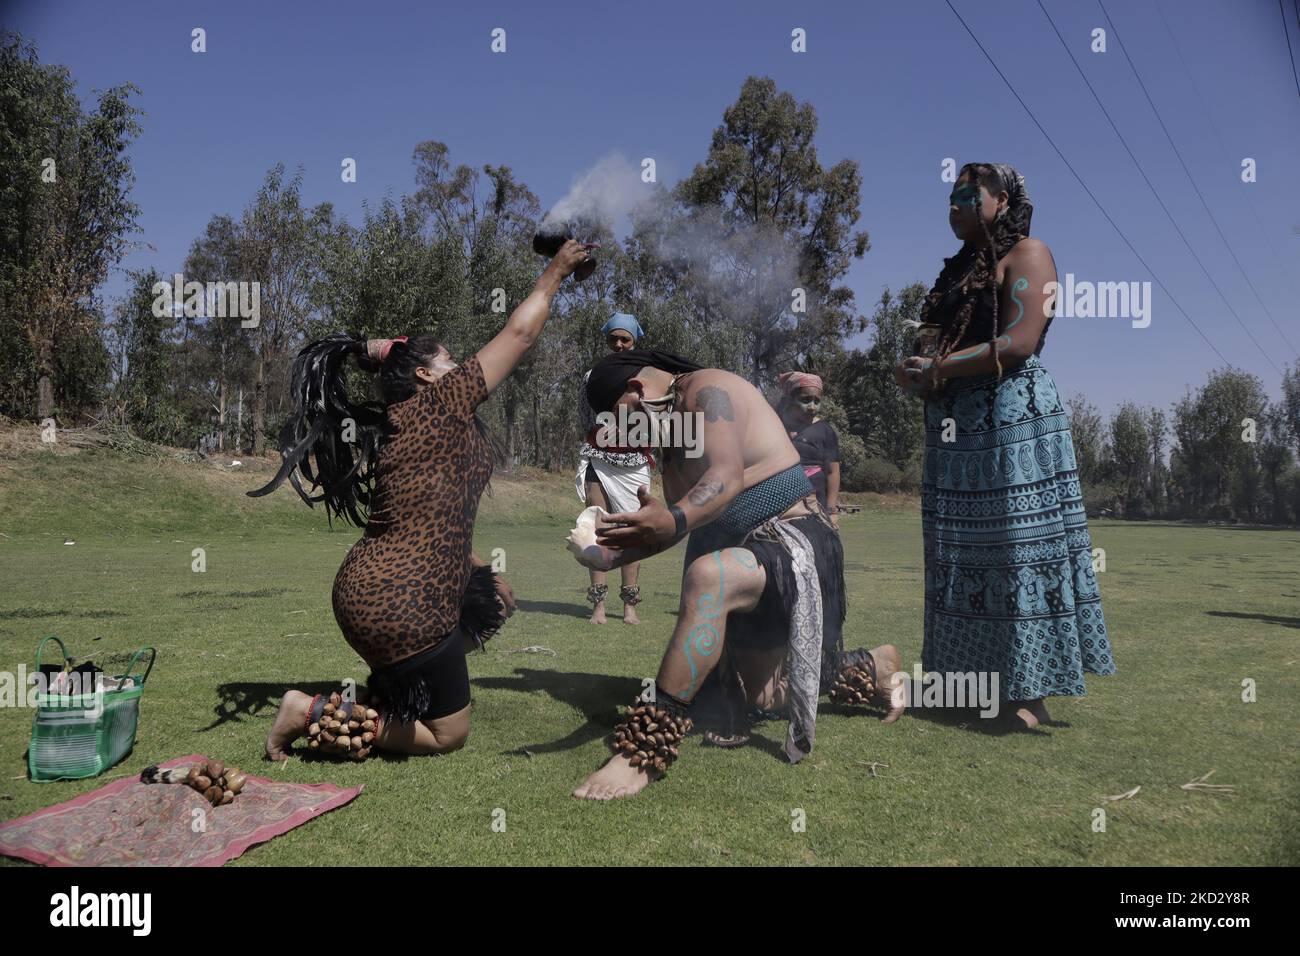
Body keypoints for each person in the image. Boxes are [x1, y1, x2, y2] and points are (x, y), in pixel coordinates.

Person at [253, 240, 590, 760]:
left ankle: (396, 694)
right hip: (403, 596)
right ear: (426, 375)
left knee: (496, 598)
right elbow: (521, 333)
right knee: (448, 735)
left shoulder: (401, 423)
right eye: (449, 360)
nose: (459, 367)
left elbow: (430, 515)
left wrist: (473, 565)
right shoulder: (439, 403)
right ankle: (308, 712)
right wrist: (557, 271)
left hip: (369, 584)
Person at [568, 349, 903, 800]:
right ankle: (868, 667)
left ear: (636, 391)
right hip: (747, 557)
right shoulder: (672, 444)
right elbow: (685, 521)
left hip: (795, 541)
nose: (626, 436)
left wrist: (671, 518)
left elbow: (723, 479)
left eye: (623, 421)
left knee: (708, 576)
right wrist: (610, 556)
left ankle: (645, 748)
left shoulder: (708, 390)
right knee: (761, 698)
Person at [895, 162, 1115, 731]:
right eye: (950, 196)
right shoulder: (958, 269)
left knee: (1015, 552)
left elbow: (1019, 342)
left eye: (968, 195)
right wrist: (920, 368)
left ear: (1002, 199)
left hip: (1010, 422)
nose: (955, 204)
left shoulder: (1029, 254)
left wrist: (939, 367)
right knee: (959, 556)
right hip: (955, 427)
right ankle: (963, 687)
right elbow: (937, 335)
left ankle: (1028, 694)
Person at [575, 313, 652, 624]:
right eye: (614, 339)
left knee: (631, 533)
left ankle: (630, 604)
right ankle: (598, 605)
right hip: (598, 457)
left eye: (626, 339)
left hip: (635, 463)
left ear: (634, 342)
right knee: (599, 527)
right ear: (606, 341)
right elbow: (584, 418)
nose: (619, 344)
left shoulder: (647, 377)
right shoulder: (592, 376)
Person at [777, 371, 842, 528]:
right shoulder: (774, 425)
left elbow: (833, 472)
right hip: (778, 502)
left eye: (817, 401)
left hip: (814, 502)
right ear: (790, 399)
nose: (812, 407)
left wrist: (832, 511)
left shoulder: (825, 431)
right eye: (806, 400)